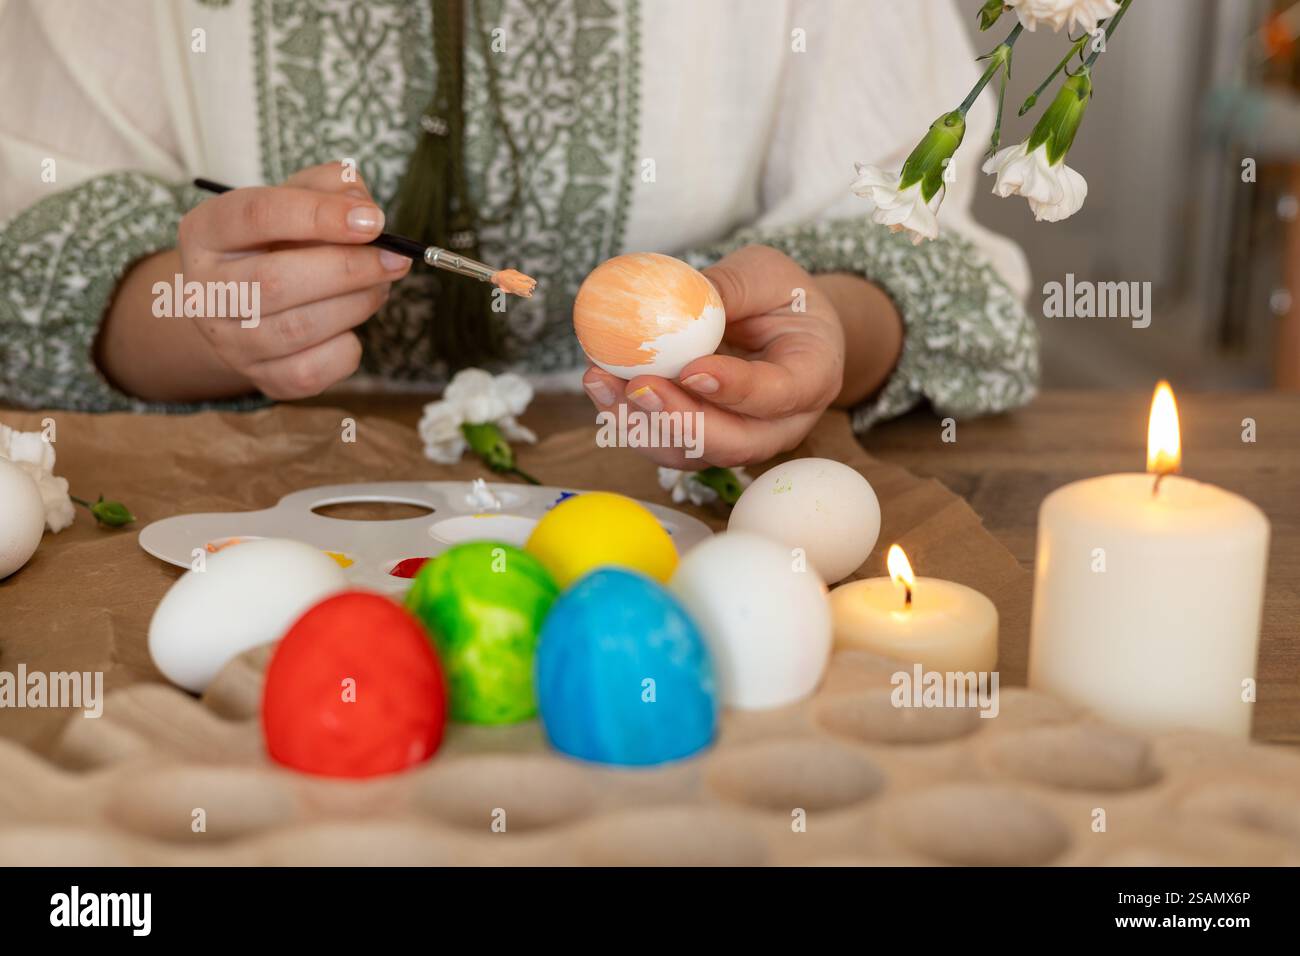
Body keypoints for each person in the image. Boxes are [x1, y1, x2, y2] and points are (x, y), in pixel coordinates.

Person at [0, 0, 1036, 468]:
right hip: (257, 503)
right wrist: (210, 314)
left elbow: (917, 252)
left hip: (676, 522)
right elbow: (32, 266)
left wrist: (821, 337)